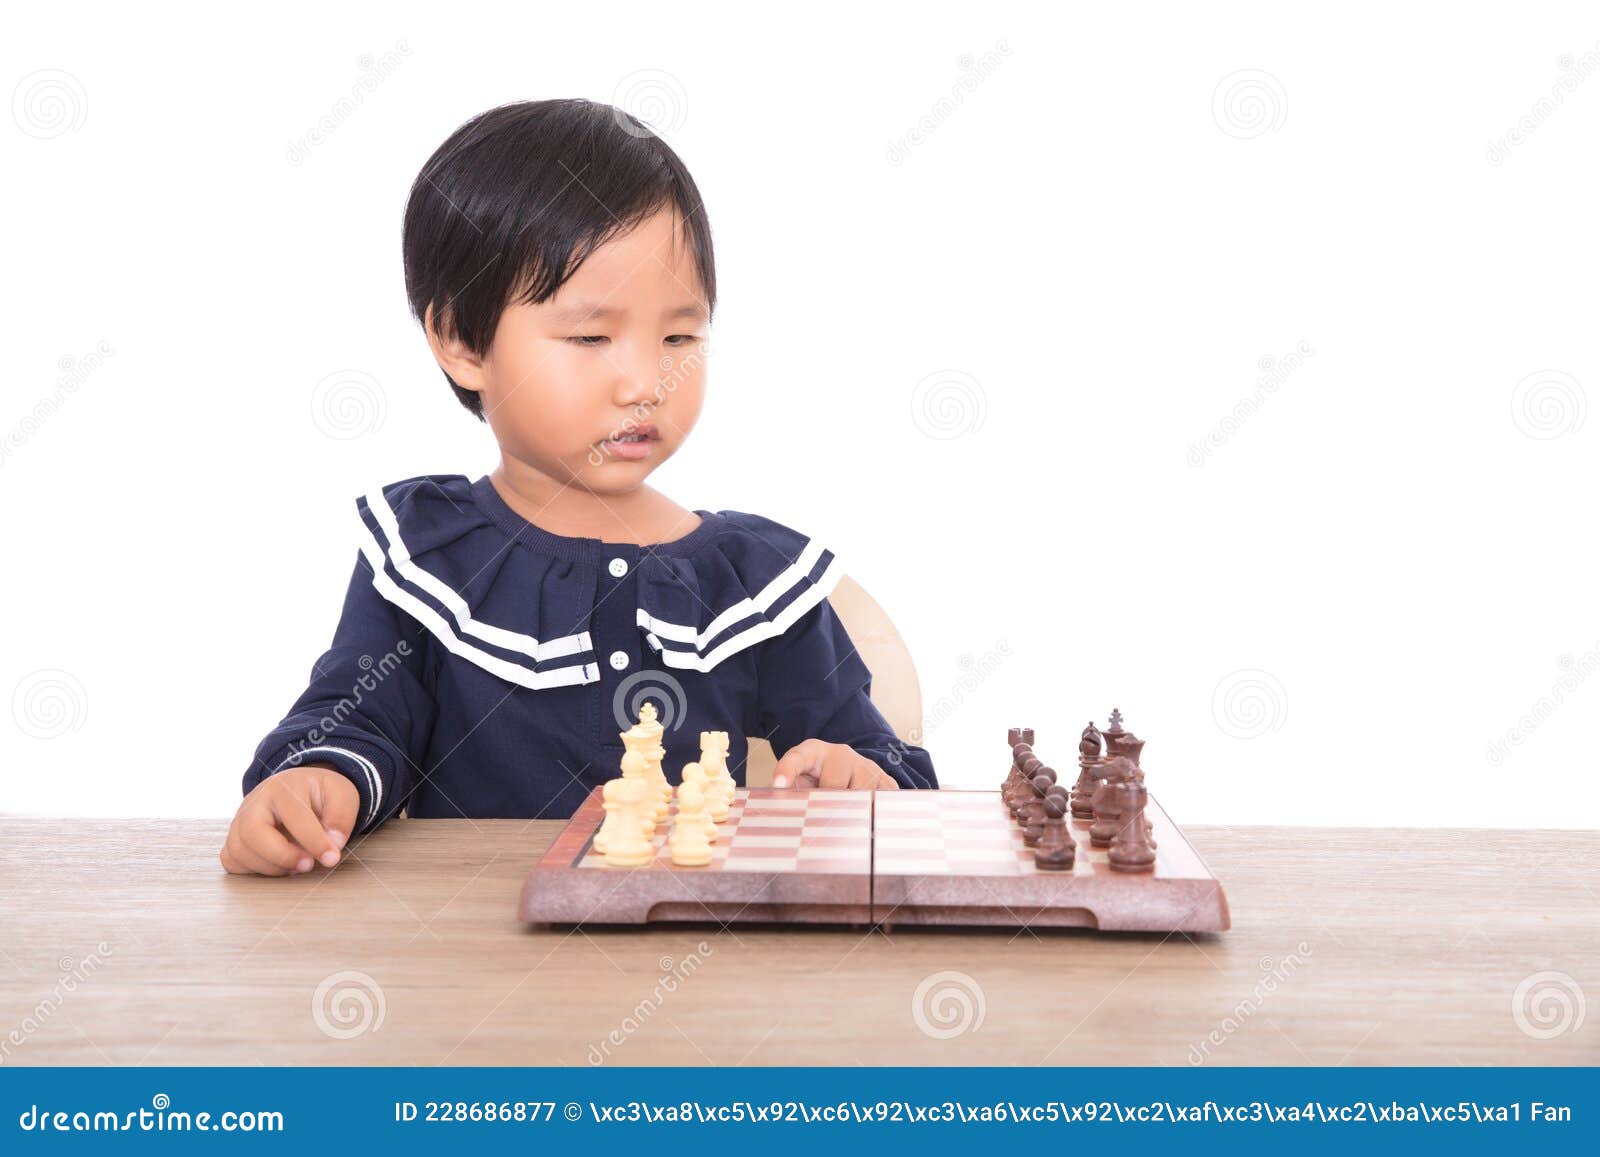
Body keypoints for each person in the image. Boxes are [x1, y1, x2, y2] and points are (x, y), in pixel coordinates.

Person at [220, 99, 937, 878]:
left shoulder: (749, 579)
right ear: (461, 340)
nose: (644, 381)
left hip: (693, 969)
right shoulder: (428, 557)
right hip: (471, 968)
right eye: (592, 337)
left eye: (680, 337)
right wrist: (316, 783)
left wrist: (857, 774)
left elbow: (877, 751)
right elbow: (354, 719)